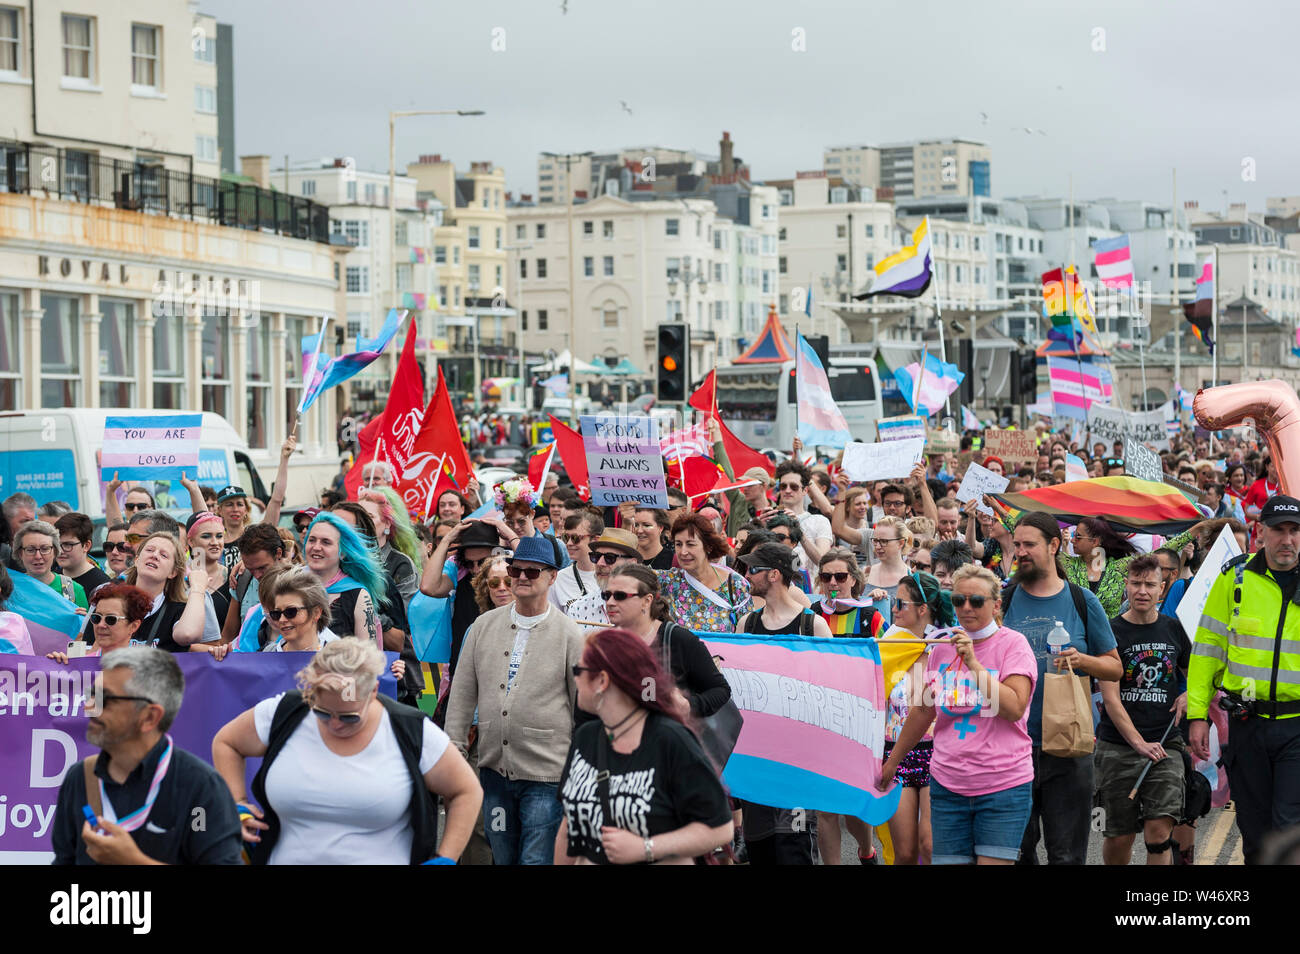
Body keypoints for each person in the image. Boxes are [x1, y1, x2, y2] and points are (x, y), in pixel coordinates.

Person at [212, 639, 481, 864]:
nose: (335, 724)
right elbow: (226, 743)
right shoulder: (285, 712)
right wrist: (237, 803)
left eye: (349, 717)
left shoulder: (410, 730)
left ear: (373, 691)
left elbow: (467, 791)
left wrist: (446, 858)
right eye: (322, 713)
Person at [880, 565, 1037, 864]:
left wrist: (974, 663)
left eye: (976, 601)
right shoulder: (941, 647)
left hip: (1002, 784)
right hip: (948, 783)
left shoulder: (1013, 645)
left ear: (996, 603)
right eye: (958, 600)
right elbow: (924, 709)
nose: (966, 608)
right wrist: (893, 762)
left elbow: (1014, 708)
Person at [444, 537, 587, 865]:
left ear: (552, 577)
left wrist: (580, 769)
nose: (521, 577)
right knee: (502, 854)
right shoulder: (483, 626)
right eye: (515, 570)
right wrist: (454, 751)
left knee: (535, 860)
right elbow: (463, 694)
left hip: (546, 774)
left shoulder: (569, 634)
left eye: (532, 572)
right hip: (494, 769)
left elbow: (582, 705)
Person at [555, 627, 734, 864]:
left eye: (579, 670)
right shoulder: (585, 737)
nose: (575, 678)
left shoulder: (670, 740)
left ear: (602, 681)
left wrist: (646, 848)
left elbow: (720, 828)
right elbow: (570, 826)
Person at [1001, 510, 1121, 865]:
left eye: (1029, 544)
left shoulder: (1083, 600)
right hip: (1011, 748)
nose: (1021, 551)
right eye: (1017, 544)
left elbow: (1114, 668)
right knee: (1016, 854)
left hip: (1069, 748)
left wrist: (1082, 661)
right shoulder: (1002, 600)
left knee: (1066, 856)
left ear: (1054, 545)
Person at [52, 647, 243, 864]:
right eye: (90, 695)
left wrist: (133, 861)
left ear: (150, 717)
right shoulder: (81, 777)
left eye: (104, 699)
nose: (88, 707)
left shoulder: (201, 787)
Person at [1189, 495, 1300, 865]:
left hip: (1296, 728)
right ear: (1260, 533)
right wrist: (1197, 715)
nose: (1288, 540)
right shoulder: (1234, 579)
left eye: (1296, 531)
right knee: (1254, 837)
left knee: (1288, 832)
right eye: (1279, 530)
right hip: (1246, 725)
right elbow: (1206, 650)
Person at [733, 543, 830, 866]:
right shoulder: (747, 623)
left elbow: (829, 690)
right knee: (760, 848)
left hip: (797, 759)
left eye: (754, 569)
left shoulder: (811, 625)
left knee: (794, 847)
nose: (747, 575)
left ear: (774, 575)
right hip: (757, 757)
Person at [1095, 555, 1190, 866]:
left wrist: (1190, 693)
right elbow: (1110, 698)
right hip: (1118, 746)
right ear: (1126, 586)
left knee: (1159, 829)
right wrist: (1138, 743)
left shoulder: (1174, 630)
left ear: (1162, 589)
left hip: (1165, 744)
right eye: (1136, 584)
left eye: (1150, 584)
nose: (1142, 591)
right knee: (1119, 833)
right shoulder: (1110, 632)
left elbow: (1196, 672)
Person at [880, 571, 956, 866]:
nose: (894, 609)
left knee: (930, 844)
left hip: (936, 753)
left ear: (922, 610)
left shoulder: (948, 647)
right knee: (905, 853)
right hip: (895, 753)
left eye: (900, 603)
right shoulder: (887, 645)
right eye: (892, 603)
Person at [603, 563, 731, 719]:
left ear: (647, 600)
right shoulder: (603, 644)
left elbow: (720, 690)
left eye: (620, 596)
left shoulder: (678, 640)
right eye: (606, 595)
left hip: (665, 739)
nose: (610, 602)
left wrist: (689, 706)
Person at [419, 520, 502, 679]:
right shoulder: (460, 573)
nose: (477, 569)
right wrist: (446, 540)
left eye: (483, 562)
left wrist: (507, 532)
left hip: (498, 665)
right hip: (463, 665)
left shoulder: (512, 575)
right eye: (470, 563)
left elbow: (535, 574)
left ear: (497, 554)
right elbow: (428, 587)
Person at [120, 531, 224, 655]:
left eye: (164, 555)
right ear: (137, 560)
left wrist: (198, 588)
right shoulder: (113, 602)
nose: (154, 555)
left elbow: (187, 634)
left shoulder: (178, 610)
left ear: (173, 572)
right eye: (149, 550)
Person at [301, 512, 385, 648]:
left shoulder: (358, 595)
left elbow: (369, 655)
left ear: (342, 552)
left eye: (326, 542)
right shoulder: (291, 585)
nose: (316, 547)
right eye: (312, 540)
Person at [658, 513, 752, 632]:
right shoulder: (668, 581)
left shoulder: (735, 585)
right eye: (678, 544)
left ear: (708, 546)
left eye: (690, 544)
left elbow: (748, 634)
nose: (683, 552)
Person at [222, 524, 289, 648]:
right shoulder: (242, 579)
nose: (257, 575)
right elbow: (228, 635)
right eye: (250, 569)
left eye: (262, 568)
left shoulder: (299, 585)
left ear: (278, 553)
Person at [46, 583, 150, 662]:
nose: (100, 625)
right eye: (96, 618)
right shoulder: (78, 664)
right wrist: (59, 671)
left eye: (111, 619)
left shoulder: (145, 671)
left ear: (133, 626)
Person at [563, 527, 642, 628]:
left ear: (631, 563)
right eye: (596, 556)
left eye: (610, 558)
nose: (600, 563)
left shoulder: (646, 607)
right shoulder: (578, 609)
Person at [256, 565, 340, 652]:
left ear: (316, 613)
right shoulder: (266, 656)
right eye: (276, 614)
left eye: (290, 612)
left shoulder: (339, 658)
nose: (282, 620)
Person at [811, 548, 885, 638]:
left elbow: (890, 650)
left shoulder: (872, 618)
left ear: (853, 580)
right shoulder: (812, 615)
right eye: (826, 576)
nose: (832, 582)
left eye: (840, 576)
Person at [14, 519, 88, 610]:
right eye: (30, 550)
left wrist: (83, 620)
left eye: (45, 549)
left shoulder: (73, 590)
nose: (38, 556)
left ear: (55, 552)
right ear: (20, 554)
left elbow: (87, 624)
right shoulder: (10, 590)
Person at [773, 461, 833, 569]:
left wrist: (798, 531)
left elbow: (823, 562)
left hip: (810, 585)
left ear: (805, 490)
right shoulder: (772, 520)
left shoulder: (820, 521)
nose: (787, 490)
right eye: (783, 486)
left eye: (794, 487)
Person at [550, 511, 602, 616]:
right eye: (565, 537)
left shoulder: (612, 576)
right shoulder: (558, 579)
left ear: (595, 540)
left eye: (575, 538)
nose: (569, 543)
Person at [185, 511, 230, 630]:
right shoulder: (176, 578)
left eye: (219, 536)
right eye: (206, 536)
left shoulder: (235, 578)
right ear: (190, 541)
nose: (215, 542)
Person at [54, 512, 112, 596]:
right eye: (57, 544)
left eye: (68, 545)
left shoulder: (103, 585)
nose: (60, 551)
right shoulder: (52, 578)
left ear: (86, 546)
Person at [864, 516, 911, 605]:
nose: (877, 546)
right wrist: (868, 600)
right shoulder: (866, 573)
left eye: (884, 541)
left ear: (900, 543)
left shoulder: (910, 576)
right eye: (875, 541)